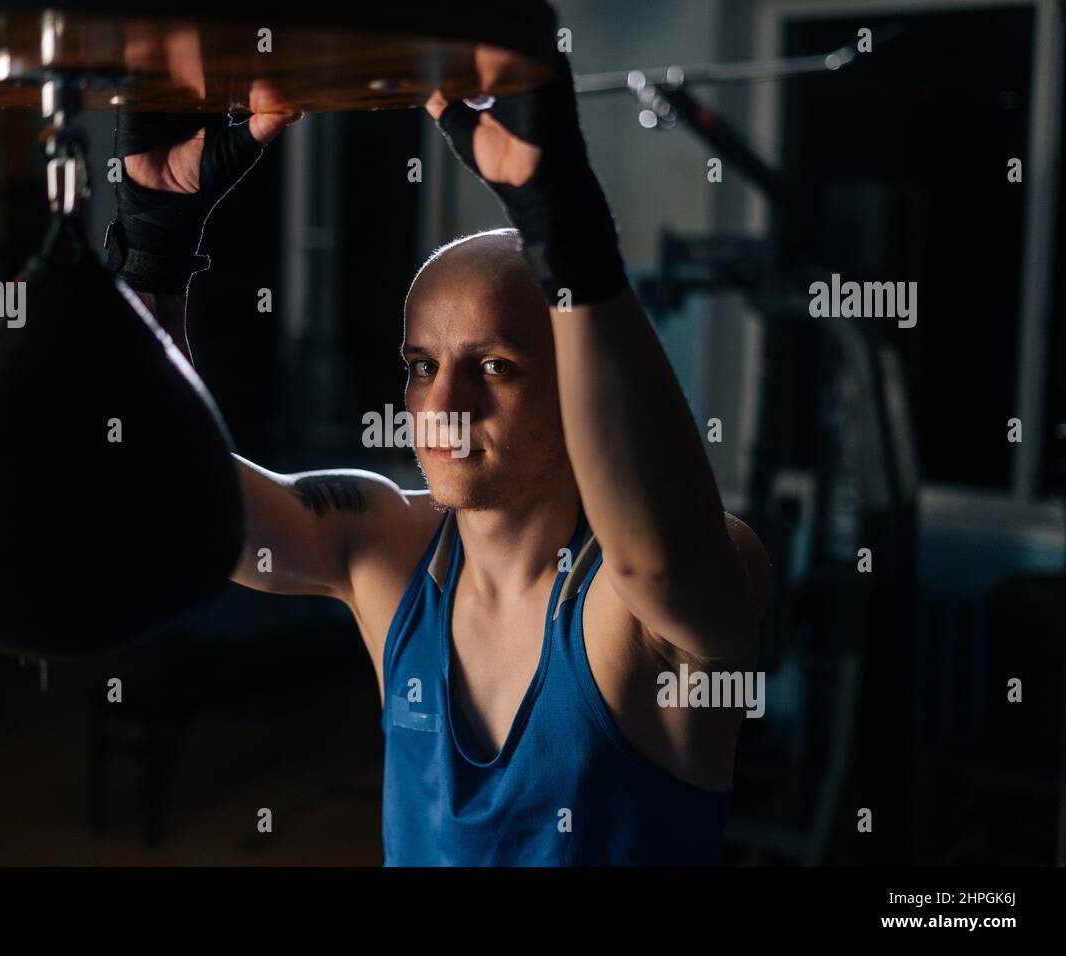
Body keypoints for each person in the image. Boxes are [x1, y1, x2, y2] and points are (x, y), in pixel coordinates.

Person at [105, 54, 769, 865]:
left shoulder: (641, 602)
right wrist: (155, 237)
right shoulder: (387, 550)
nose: (445, 406)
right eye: (423, 366)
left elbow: (661, 563)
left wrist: (572, 239)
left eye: (495, 367)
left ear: (576, 388)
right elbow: (165, 489)